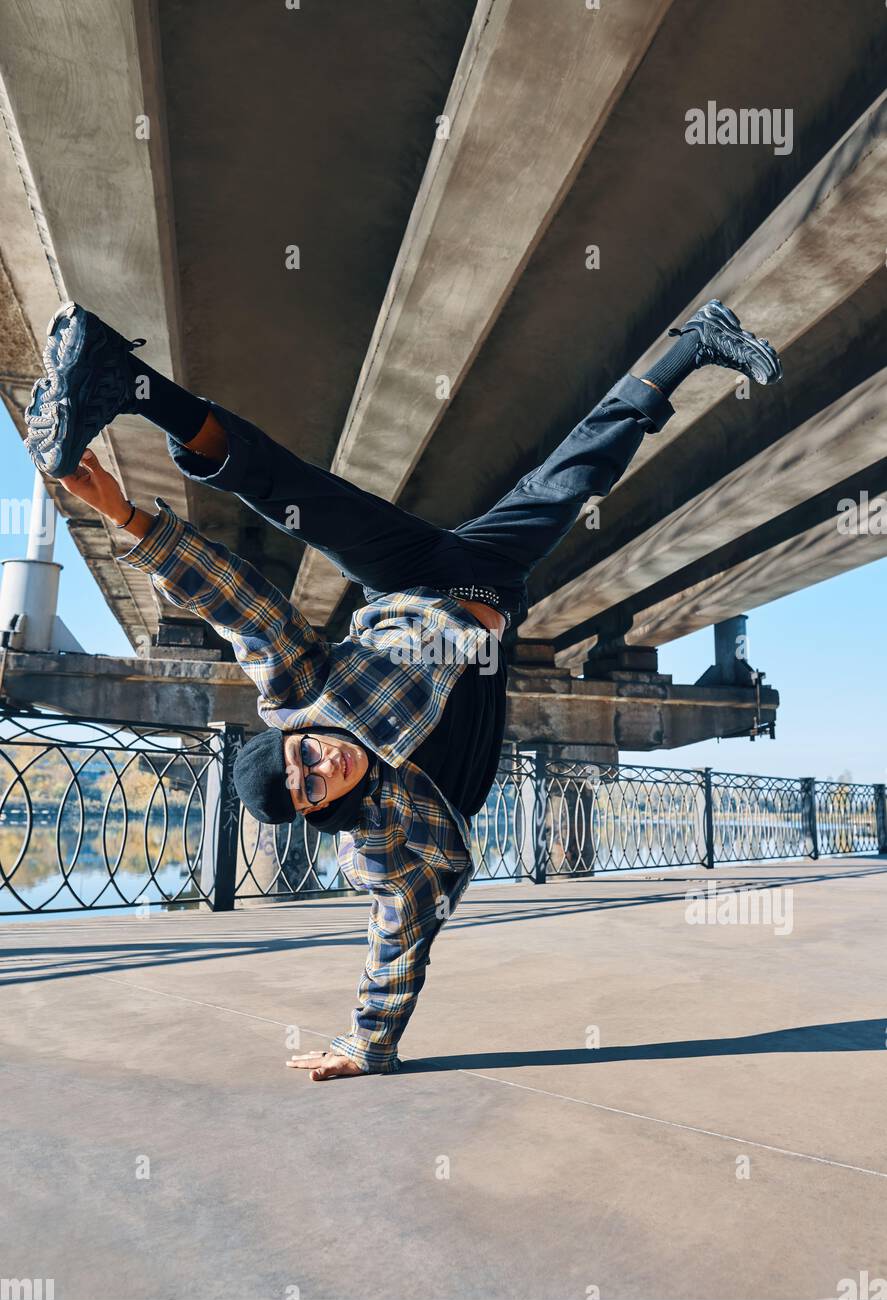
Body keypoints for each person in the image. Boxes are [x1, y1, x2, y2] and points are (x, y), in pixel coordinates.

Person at [24, 298, 782, 1079]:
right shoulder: (383, 841)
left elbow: (238, 605)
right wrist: (368, 1044)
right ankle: (697, 340)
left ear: (295, 733)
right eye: (312, 787)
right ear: (320, 812)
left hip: (403, 583)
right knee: (576, 471)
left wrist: (127, 517)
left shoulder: (301, 694)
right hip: (484, 577)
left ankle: (125, 381)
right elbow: (397, 936)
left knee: (292, 493)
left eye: (305, 755)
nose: (322, 766)